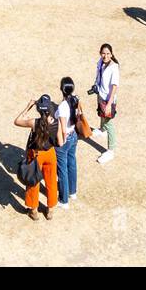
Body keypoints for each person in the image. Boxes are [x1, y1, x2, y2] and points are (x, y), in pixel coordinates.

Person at [14, 95, 64, 220]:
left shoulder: (34, 123)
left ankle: (34, 210)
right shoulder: (56, 122)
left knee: (33, 181)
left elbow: (17, 121)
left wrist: (28, 107)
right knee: (51, 181)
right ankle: (50, 209)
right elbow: (61, 143)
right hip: (50, 153)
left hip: (36, 154)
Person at [55, 77, 82, 209]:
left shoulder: (62, 106)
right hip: (74, 135)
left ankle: (64, 200)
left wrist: (63, 140)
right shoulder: (75, 100)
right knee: (72, 163)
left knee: (62, 169)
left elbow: (63, 128)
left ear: (61, 89)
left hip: (66, 138)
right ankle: (72, 192)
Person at [92, 43, 119, 164]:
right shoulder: (101, 62)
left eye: (108, 53)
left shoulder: (114, 67)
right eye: (103, 53)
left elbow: (114, 86)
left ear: (111, 54)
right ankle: (102, 130)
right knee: (101, 114)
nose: (105, 56)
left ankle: (111, 150)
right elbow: (98, 74)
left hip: (108, 99)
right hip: (100, 94)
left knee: (109, 124)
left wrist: (109, 104)